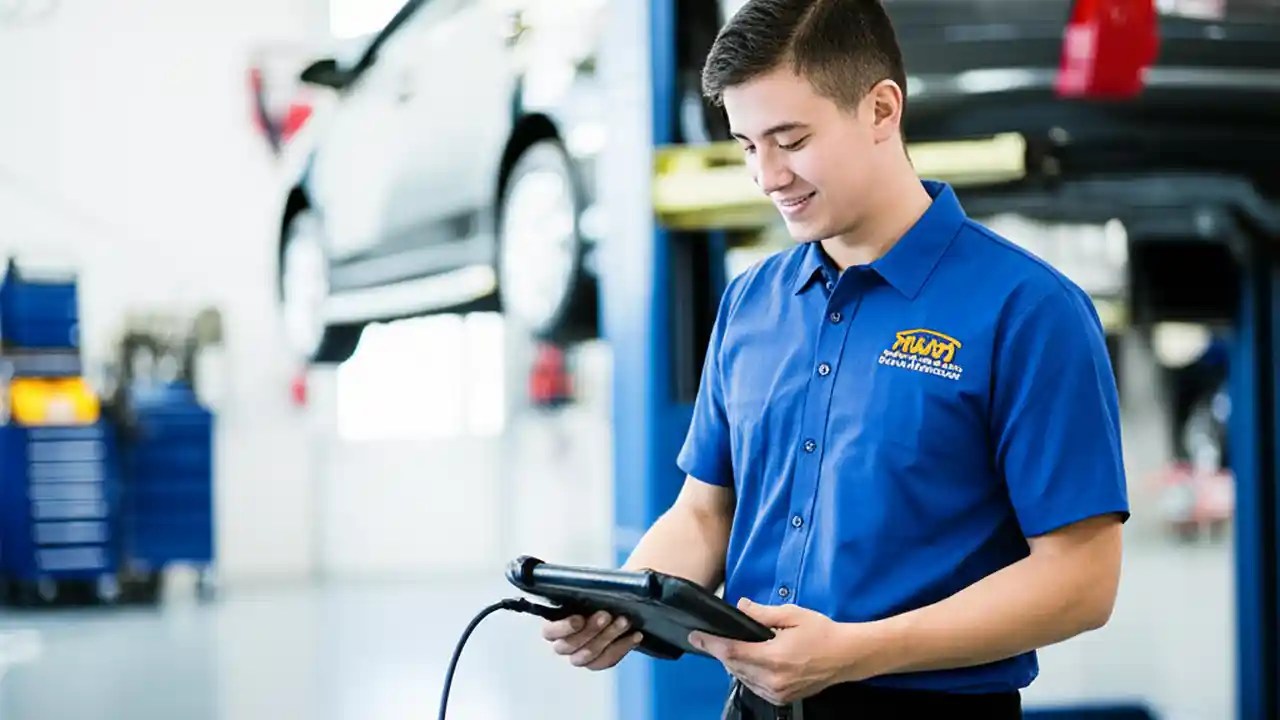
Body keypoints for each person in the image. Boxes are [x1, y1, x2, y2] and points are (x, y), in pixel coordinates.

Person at [542, 0, 1129, 717]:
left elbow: (1082, 580)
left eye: (790, 139)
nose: (767, 176)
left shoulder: (1029, 312)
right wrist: (627, 600)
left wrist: (858, 650)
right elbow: (704, 515)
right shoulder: (752, 304)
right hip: (757, 707)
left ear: (882, 109)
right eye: (747, 145)